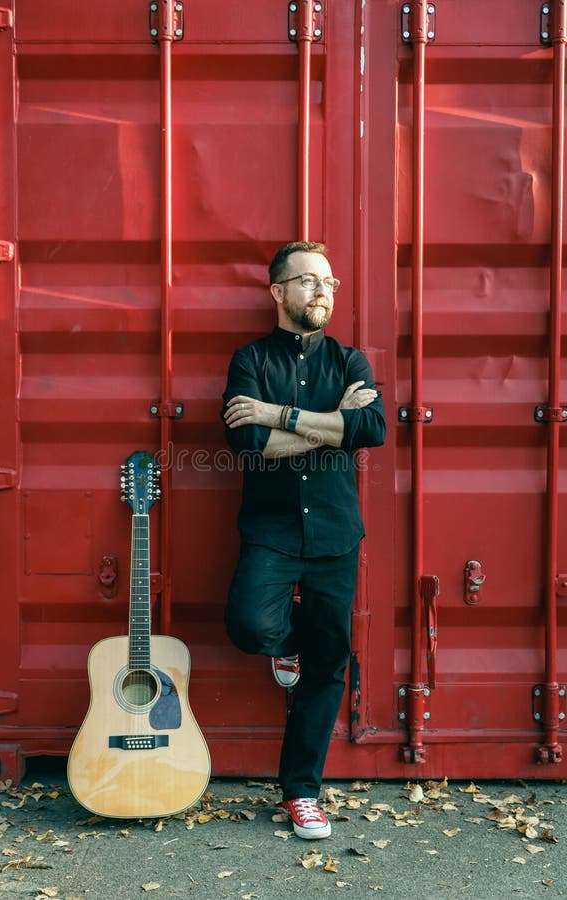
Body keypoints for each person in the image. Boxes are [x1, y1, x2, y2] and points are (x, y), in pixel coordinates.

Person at [221, 241, 386, 840]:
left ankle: (302, 792)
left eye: (330, 282)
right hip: (272, 530)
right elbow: (249, 449)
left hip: (336, 533)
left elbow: (371, 428)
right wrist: (330, 427)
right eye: (310, 281)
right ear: (278, 292)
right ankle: (284, 646)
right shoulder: (249, 361)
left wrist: (279, 415)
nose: (324, 291)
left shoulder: (351, 362)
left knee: (329, 662)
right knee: (249, 626)